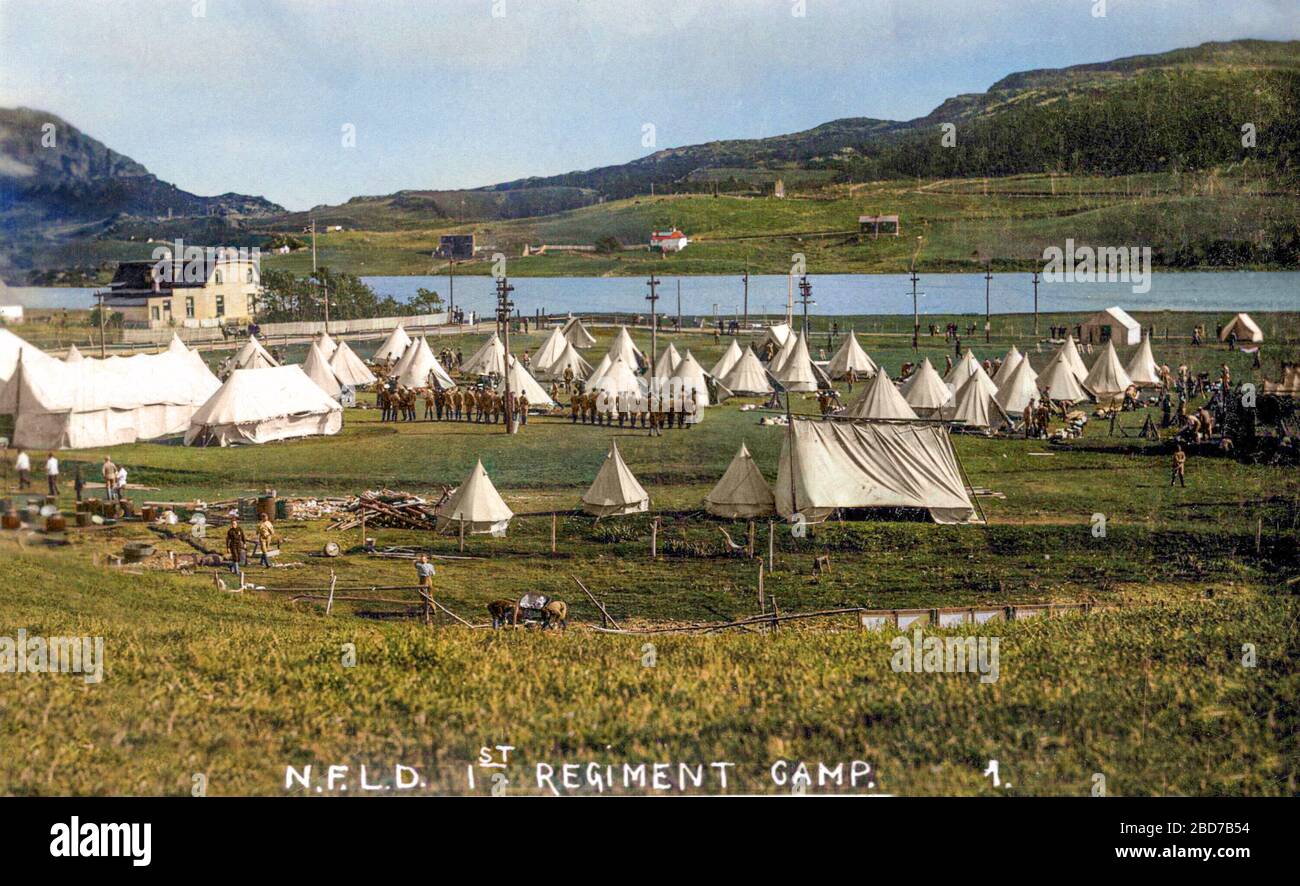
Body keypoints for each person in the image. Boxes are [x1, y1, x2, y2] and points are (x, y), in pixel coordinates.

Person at [415, 554, 436, 624]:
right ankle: (424, 608)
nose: (422, 560)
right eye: (421, 559)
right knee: (422, 594)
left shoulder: (430, 565)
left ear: (427, 560)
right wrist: (418, 560)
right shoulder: (419, 565)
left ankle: (433, 608)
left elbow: (433, 573)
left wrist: (431, 573)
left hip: (428, 578)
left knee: (429, 594)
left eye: (424, 559)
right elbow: (414, 562)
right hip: (422, 579)